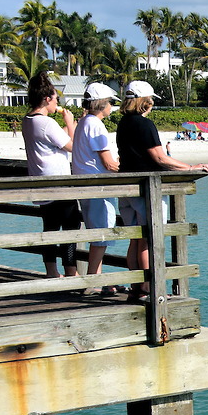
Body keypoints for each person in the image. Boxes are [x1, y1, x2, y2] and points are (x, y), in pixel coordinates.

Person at [116, 80, 208, 303]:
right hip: (146, 189)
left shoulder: (123, 123)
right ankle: (152, 288)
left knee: (134, 240)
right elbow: (159, 158)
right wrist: (190, 168)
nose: (151, 105)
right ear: (144, 103)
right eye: (150, 101)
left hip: (126, 187)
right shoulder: (144, 125)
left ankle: (137, 287)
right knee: (149, 241)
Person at [22, 72, 80, 279]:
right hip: (59, 185)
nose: (57, 102)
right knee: (71, 230)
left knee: (50, 231)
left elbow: (54, 139)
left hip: (41, 184)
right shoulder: (46, 123)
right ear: (47, 99)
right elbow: (73, 146)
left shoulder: (29, 120)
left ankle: (51, 272)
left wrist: (69, 125)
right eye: (56, 98)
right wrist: (70, 122)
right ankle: (72, 274)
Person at [71, 82, 121, 290]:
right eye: (110, 102)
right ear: (101, 104)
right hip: (98, 185)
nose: (112, 106)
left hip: (85, 184)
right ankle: (94, 280)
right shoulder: (95, 124)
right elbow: (108, 163)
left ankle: (97, 279)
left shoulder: (84, 122)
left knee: (96, 233)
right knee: (101, 233)